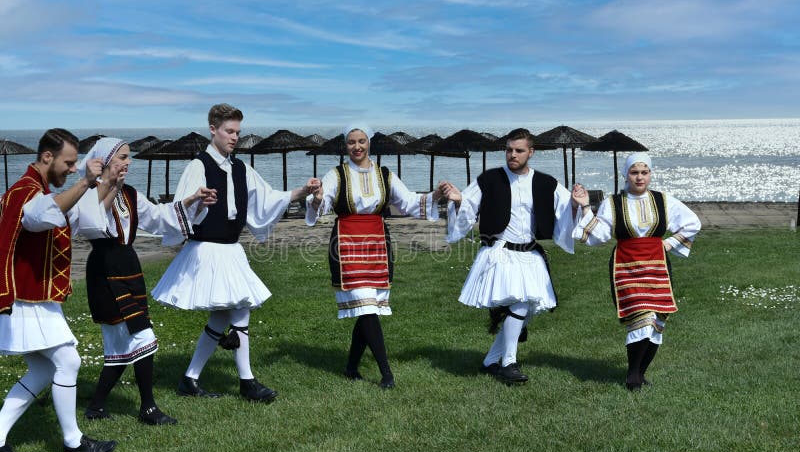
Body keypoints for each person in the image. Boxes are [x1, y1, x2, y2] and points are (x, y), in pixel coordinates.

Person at [151, 104, 319, 402]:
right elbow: (181, 209)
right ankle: (247, 381)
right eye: (229, 131)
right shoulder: (198, 166)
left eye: (237, 132)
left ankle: (190, 379)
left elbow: (267, 199)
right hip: (206, 251)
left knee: (221, 317)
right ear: (213, 129)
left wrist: (301, 192)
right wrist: (198, 204)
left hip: (230, 251)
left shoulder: (241, 168)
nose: (234, 138)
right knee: (240, 308)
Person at [73, 138, 217, 425]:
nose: (128, 162)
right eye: (122, 157)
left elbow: (158, 217)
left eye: (129, 158)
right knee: (142, 337)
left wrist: (191, 201)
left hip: (129, 266)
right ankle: (148, 408)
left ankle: (97, 406)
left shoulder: (131, 194)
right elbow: (88, 223)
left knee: (120, 344)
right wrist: (107, 185)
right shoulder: (87, 193)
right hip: (105, 269)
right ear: (105, 160)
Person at [0, 129, 117, 452]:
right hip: (26, 299)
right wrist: (84, 182)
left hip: (29, 298)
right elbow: (40, 216)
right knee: (67, 361)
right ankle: (73, 441)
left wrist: (107, 182)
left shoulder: (34, 190)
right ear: (47, 157)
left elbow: (77, 218)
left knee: (44, 370)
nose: (71, 168)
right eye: (68, 162)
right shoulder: (27, 191)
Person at [439, 128, 582, 384]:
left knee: (526, 311)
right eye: (509, 150)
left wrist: (575, 203)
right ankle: (509, 363)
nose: (512, 155)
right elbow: (468, 204)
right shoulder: (490, 179)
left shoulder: (546, 182)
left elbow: (565, 208)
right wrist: (458, 200)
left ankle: (490, 361)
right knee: (520, 304)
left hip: (529, 254)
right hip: (501, 253)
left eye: (518, 150)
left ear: (531, 152)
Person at [306, 123, 441, 389]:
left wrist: (436, 195)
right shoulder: (336, 174)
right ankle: (386, 374)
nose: (357, 147)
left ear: (370, 143)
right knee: (367, 308)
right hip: (346, 243)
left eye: (362, 141)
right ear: (345, 146)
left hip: (378, 243)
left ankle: (350, 368)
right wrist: (317, 196)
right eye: (351, 142)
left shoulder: (385, 174)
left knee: (367, 307)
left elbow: (409, 202)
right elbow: (321, 205)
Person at [571, 152, 700, 390]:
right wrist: (586, 206)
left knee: (657, 319)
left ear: (650, 174)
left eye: (644, 172)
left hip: (658, 264)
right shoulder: (613, 203)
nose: (639, 177)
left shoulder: (663, 200)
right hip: (626, 265)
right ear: (625, 175)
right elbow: (598, 235)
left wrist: (669, 243)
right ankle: (632, 376)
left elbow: (692, 222)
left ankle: (640, 373)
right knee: (640, 318)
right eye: (634, 172)